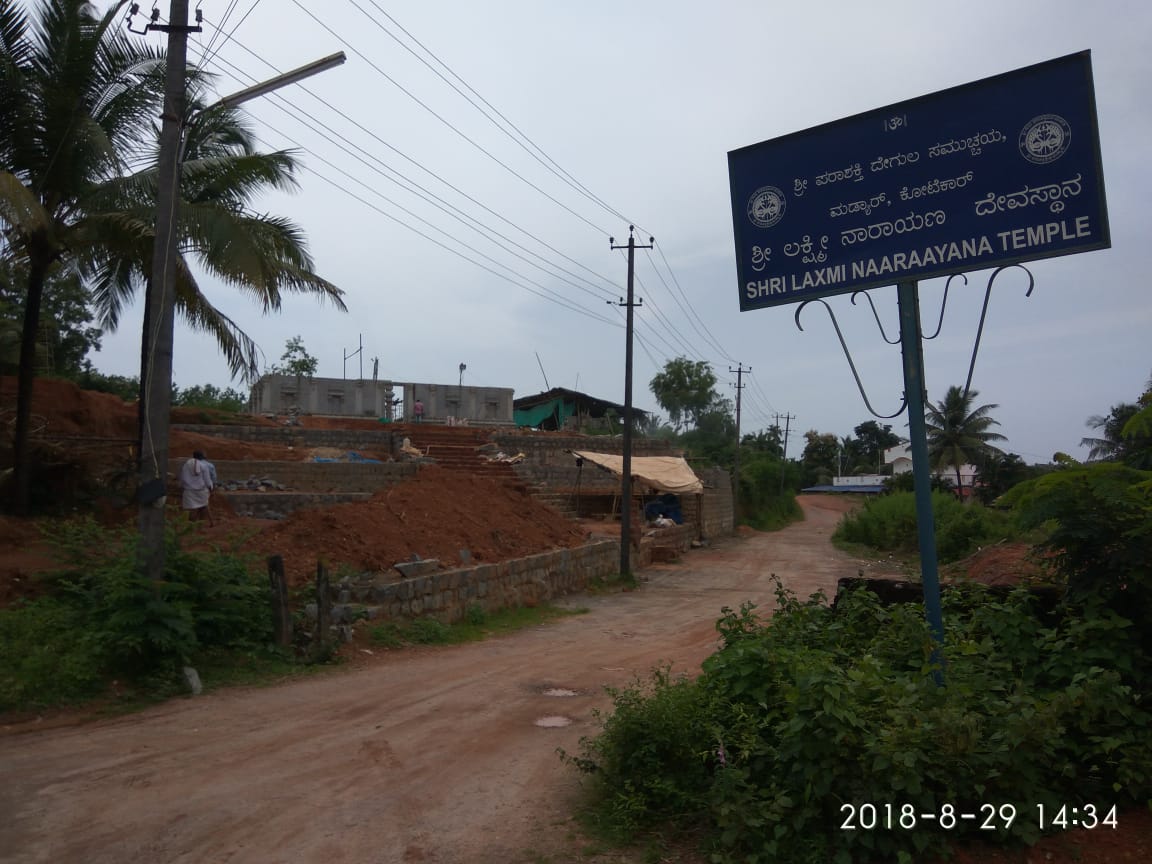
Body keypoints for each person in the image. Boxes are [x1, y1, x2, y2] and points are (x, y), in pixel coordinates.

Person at [179, 450, 214, 523]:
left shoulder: (186, 465)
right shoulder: (204, 465)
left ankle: (191, 524)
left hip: (189, 491)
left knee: (191, 508)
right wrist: (210, 487)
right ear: (202, 457)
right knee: (204, 506)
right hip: (201, 490)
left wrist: (182, 486)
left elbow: (182, 477)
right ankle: (203, 523)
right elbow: (207, 479)